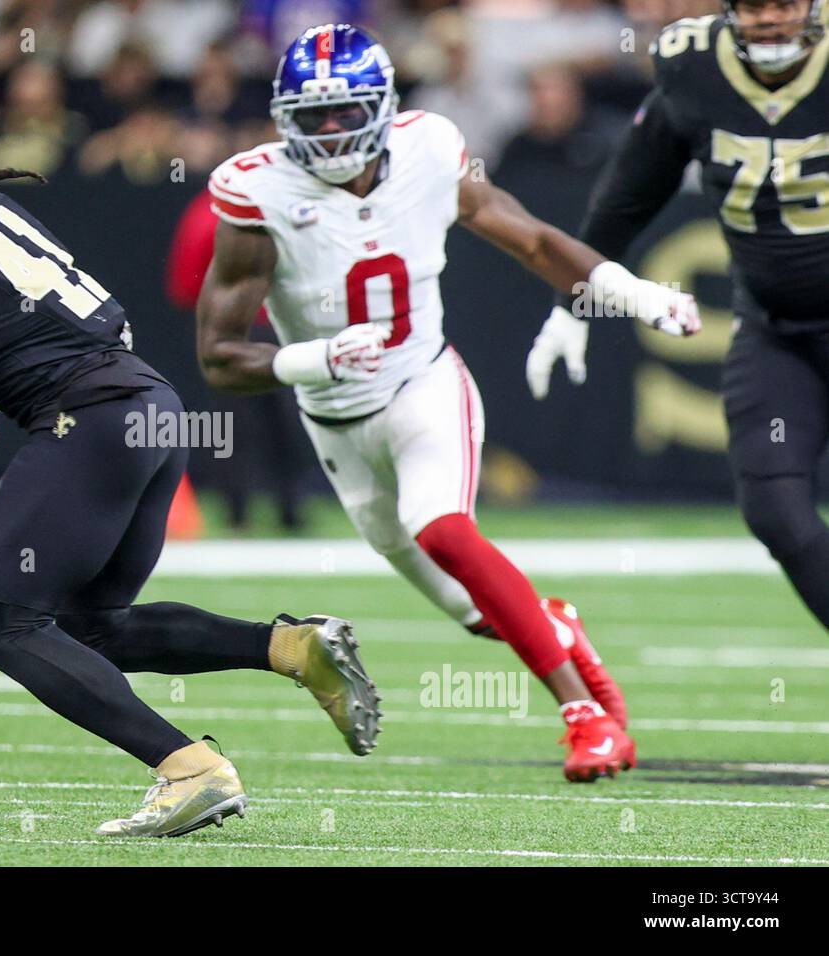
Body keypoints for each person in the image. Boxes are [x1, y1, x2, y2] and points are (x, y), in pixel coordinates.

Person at [0, 84, 381, 836]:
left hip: (89, 423)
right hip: (151, 410)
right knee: (90, 627)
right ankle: (291, 646)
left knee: (3, 625)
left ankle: (189, 768)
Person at [197, 24, 700, 782]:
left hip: (422, 383)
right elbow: (218, 359)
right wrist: (320, 357)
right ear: (283, 116)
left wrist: (629, 292)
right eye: (315, 115)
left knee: (442, 531)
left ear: (383, 107)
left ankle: (586, 720)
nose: (332, 131)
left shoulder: (429, 150)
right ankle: (557, 630)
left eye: (347, 112)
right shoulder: (256, 191)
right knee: (476, 614)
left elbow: (529, 239)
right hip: (334, 422)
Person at [527, 1, 829, 633]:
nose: (770, 20)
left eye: (785, 4)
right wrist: (573, 301)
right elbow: (631, 191)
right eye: (754, 6)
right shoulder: (695, 69)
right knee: (775, 506)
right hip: (775, 327)